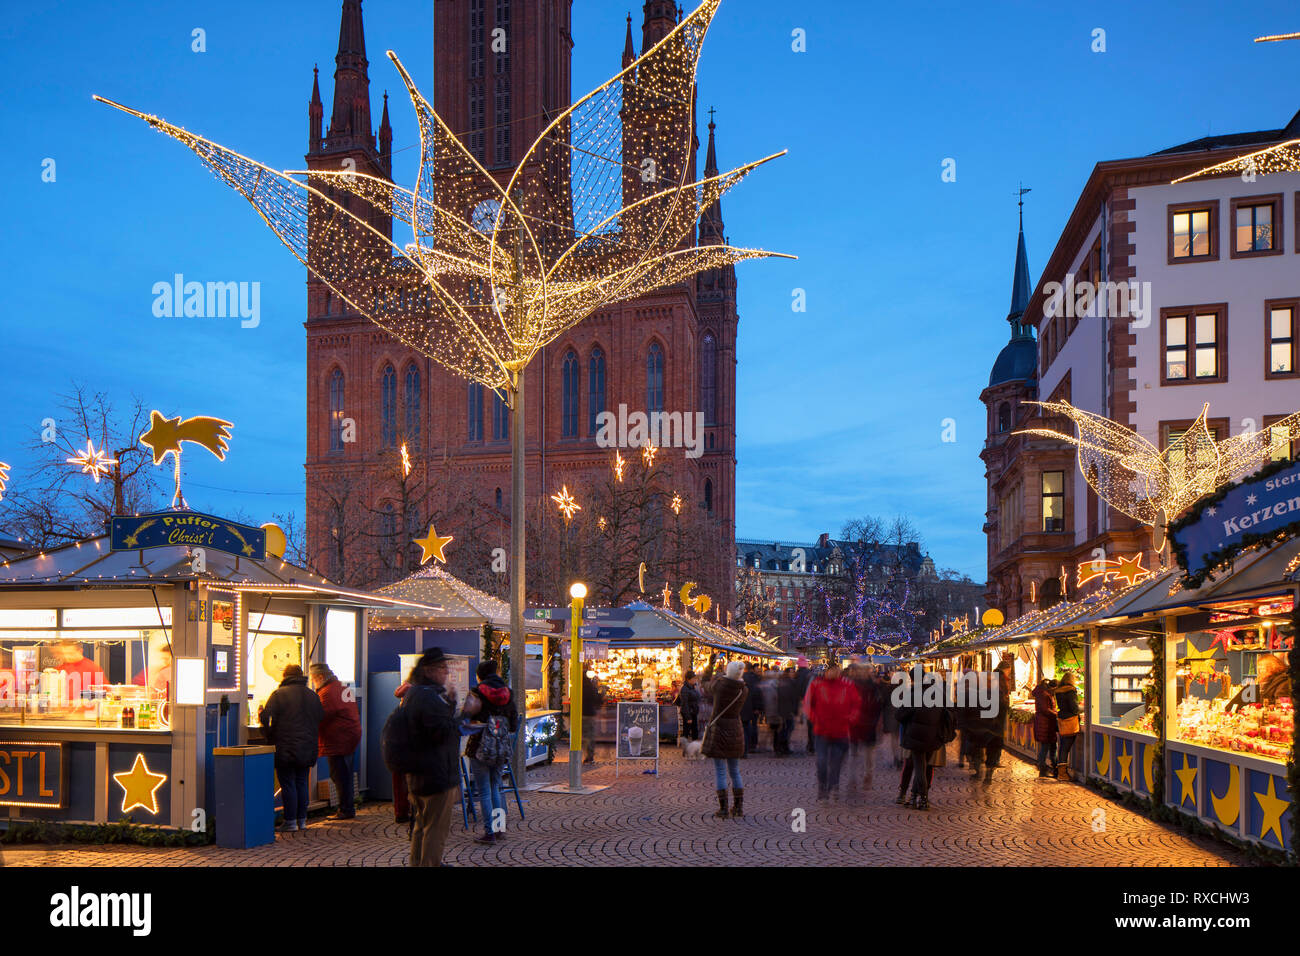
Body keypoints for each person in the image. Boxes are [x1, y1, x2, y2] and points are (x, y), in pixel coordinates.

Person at [400, 648, 461, 867]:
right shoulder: (427, 697)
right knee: (435, 828)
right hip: (436, 773)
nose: (446, 672)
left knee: (421, 825)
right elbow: (442, 732)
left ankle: (417, 863)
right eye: (443, 668)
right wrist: (464, 715)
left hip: (420, 773)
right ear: (429, 670)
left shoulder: (415, 693)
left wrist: (451, 704)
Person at [259, 664, 324, 832]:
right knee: (301, 782)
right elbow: (321, 717)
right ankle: (302, 820)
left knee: (288, 783)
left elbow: (266, 717)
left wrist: (269, 734)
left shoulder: (279, 694)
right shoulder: (312, 695)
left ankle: (290, 821)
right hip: (307, 746)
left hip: (285, 746)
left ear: (285, 676)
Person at [464, 659, 519, 844]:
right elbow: (513, 725)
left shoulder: (476, 693)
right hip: (501, 749)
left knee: (484, 791)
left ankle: (489, 833)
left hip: (479, 748)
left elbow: (466, 719)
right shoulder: (507, 693)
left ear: (480, 676)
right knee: (496, 787)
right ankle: (499, 828)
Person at [310, 662, 362, 820]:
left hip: (339, 739)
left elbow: (320, 716)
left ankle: (345, 809)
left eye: (313, 679)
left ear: (320, 677)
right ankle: (348, 807)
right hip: (350, 736)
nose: (313, 682)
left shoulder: (327, 693)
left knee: (339, 776)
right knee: (344, 774)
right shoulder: (341, 688)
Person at [895, 670, 953, 810]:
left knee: (919, 767)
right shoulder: (939, 695)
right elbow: (949, 713)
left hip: (915, 737)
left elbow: (900, 715)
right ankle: (915, 797)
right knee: (926, 766)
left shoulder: (913, 695)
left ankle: (923, 799)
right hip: (933, 738)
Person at [804, 664, 862, 801]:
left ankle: (833, 785)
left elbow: (856, 703)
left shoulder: (847, 685)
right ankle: (823, 786)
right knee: (821, 762)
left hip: (841, 732)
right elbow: (808, 704)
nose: (834, 673)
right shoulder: (817, 684)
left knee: (836, 763)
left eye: (836, 671)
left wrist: (851, 718)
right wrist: (814, 718)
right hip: (821, 731)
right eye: (831, 671)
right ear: (826, 671)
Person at [701, 656, 748, 818]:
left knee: (720, 771)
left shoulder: (720, 686)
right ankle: (738, 807)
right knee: (735, 771)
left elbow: (705, 683)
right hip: (735, 729)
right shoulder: (744, 689)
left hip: (719, 729)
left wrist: (710, 665)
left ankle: (723, 808)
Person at [848, 666, 882, 789]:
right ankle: (858, 776)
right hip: (861, 724)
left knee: (861, 754)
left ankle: (863, 775)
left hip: (864, 724)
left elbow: (878, 706)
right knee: (859, 754)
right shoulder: (871, 687)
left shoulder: (872, 688)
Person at [1054, 670, 1081, 781]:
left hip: (1061, 719)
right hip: (1070, 721)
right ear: (1071, 680)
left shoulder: (1058, 691)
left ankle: (1060, 771)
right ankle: (1062, 774)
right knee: (1066, 747)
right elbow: (1074, 708)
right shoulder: (1071, 691)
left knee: (1062, 747)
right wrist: (1081, 709)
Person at [1031, 677, 1059, 778]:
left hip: (1046, 724)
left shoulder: (1043, 693)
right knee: (1046, 747)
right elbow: (1045, 709)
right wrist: (1056, 714)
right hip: (1046, 725)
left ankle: (1054, 768)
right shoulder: (1044, 695)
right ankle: (1043, 768)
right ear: (1053, 688)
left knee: (1051, 747)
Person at [581, 671, 604, 764]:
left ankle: (587, 755)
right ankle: (589, 755)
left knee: (584, 736)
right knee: (589, 736)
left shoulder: (578, 687)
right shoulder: (591, 688)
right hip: (590, 714)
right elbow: (598, 700)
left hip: (580, 714)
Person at [774, 667, 798, 755]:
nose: (794, 673)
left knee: (785, 729)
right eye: (792, 672)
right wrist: (793, 710)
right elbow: (792, 698)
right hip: (786, 710)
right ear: (787, 673)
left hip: (783, 709)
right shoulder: (790, 683)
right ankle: (783, 747)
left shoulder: (782, 682)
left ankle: (781, 747)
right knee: (787, 729)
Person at [740, 663, 763, 754]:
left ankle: (745, 746)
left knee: (744, 726)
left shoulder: (741, 678)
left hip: (743, 706)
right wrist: (758, 707)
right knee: (753, 725)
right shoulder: (756, 678)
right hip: (754, 706)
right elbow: (758, 693)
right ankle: (753, 745)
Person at [675, 670, 701, 741]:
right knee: (686, 731)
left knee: (695, 731)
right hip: (688, 712)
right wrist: (688, 717)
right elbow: (684, 703)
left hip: (693, 712)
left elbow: (697, 698)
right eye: (693, 679)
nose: (695, 680)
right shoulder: (685, 689)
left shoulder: (693, 687)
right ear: (688, 679)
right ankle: (685, 748)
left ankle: (694, 748)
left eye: (695, 678)